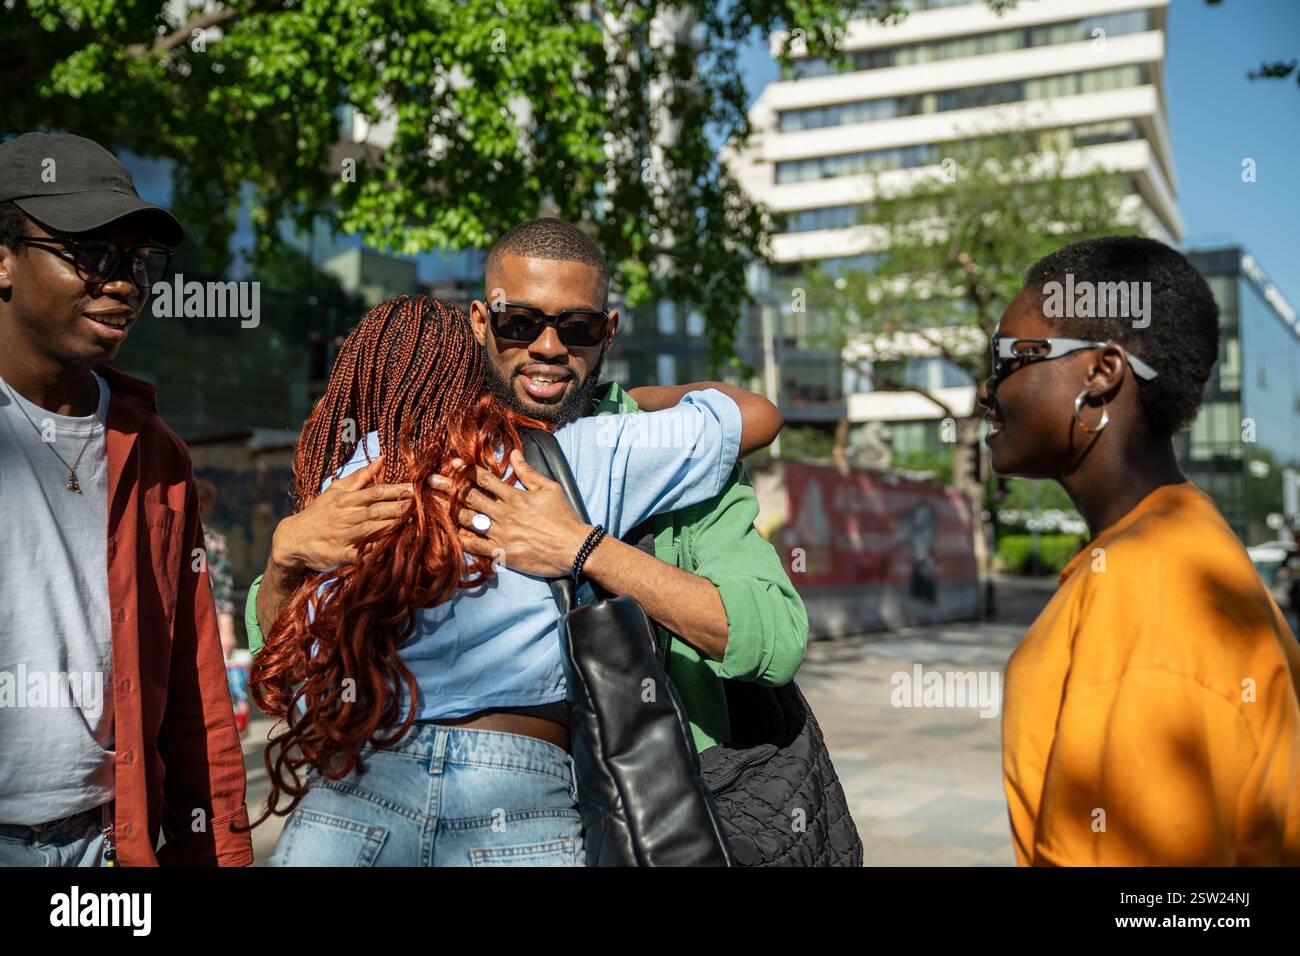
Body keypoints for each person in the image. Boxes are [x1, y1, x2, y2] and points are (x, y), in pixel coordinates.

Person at [251, 294, 780, 866]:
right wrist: (635, 401)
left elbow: (291, 676)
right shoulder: (573, 451)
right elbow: (755, 415)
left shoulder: (344, 490)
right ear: (477, 362)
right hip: (517, 789)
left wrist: (285, 555)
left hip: (361, 784)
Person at [247, 217, 808, 755]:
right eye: (518, 322)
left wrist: (585, 549)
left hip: (635, 817)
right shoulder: (409, 450)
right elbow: (277, 654)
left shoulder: (659, 449)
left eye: (577, 328)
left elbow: (773, 640)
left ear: (607, 332)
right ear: (479, 322)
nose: (546, 347)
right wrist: (284, 557)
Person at [981, 235, 1300, 865]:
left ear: (1101, 372)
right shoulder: (1182, 545)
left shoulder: (1148, 590)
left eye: (1007, 358)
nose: (988, 389)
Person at [0, 132, 252, 866]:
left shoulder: (156, 454)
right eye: (92, 254)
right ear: (5, 257)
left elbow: (195, 690)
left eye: (137, 263)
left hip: (106, 846)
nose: (125, 284)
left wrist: (220, 851)